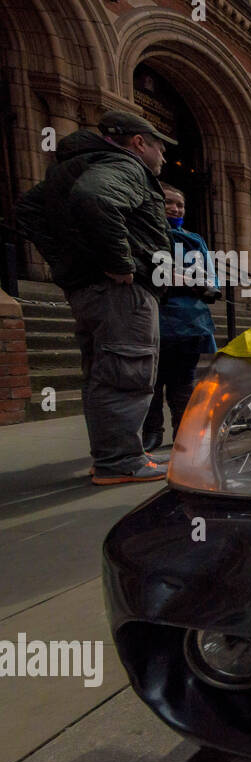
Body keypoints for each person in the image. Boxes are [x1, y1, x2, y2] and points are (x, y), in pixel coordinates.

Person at [14, 110, 173, 484]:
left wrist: (67, 260)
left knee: (104, 371)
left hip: (87, 289)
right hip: (121, 291)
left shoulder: (72, 167)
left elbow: (27, 210)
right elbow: (95, 198)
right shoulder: (125, 166)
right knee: (127, 371)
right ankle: (120, 461)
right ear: (139, 143)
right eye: (160, 149)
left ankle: (116, 454)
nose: (163, 158)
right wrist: (119, 261)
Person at [142, 184, 220, 451]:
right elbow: (152, 274)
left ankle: (182, 431)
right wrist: (188, 281)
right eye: (169, 203)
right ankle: (152, 432)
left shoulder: (194, 239)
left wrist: (197, 283)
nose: (175, 208)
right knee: (152, 381)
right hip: (154, 318)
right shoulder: (146, 235)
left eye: (180, 204)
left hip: (189, 321)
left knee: (184, 380)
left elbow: (210, 282)